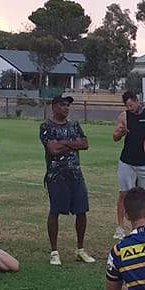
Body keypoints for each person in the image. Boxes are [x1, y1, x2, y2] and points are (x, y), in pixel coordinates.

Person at [40, 94, 96, 266]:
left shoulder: (74, 125)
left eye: (68, 106)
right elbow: (53, 149)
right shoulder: (46, 126)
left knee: (81, 211)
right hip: (57, 176)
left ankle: (80, 249)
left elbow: (85, 144)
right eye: (63, 105)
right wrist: (72, 142)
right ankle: (54, 251)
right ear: (55, 106)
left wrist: (63, 143)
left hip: (76, 174)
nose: (66, 108)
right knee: (55, 211)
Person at [112, 91, 145, 238]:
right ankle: (120, 228)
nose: (130, 109)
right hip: (127, 161)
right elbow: (115, 137)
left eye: (131, 105)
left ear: (136, 100)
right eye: (127, 106)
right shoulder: (124, 116)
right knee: (124, 194)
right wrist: (120, 133)